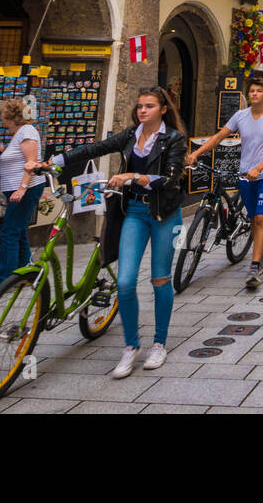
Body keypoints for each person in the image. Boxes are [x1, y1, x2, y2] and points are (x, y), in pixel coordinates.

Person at [40, 87, 188, 378]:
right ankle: (130, 346)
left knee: (160, 279)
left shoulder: (174, 138)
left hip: (165, 214)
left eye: (149, 106)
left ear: (163, 109)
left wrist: (132, 176)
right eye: (140, 106)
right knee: (126, 281)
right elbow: (95, 148)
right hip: (133, 211)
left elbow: (170, 178)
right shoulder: (131, 135)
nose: (142, 110)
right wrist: (55, 161)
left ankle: (159, 343)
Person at [187, 76, 263, 289]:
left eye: (259, 91)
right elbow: (218, 137)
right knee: (252, 218)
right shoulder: (240, 116)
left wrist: (259, 168)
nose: (254, 94)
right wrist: (196, 153)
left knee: (261, 218)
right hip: (244, 175)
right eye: (251, 91)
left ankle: (255, 265)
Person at [0, 99, 47, 295]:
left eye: (2, 114)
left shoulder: (27, 132)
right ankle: (25, 274)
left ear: (9, 116)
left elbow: (31, 162)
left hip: (24, 190)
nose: (1, 118)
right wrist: (4, 152)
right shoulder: (20, 134)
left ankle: (4, 281)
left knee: (9, 232)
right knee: (18, 231)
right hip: (17, 189)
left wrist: (22, 189)